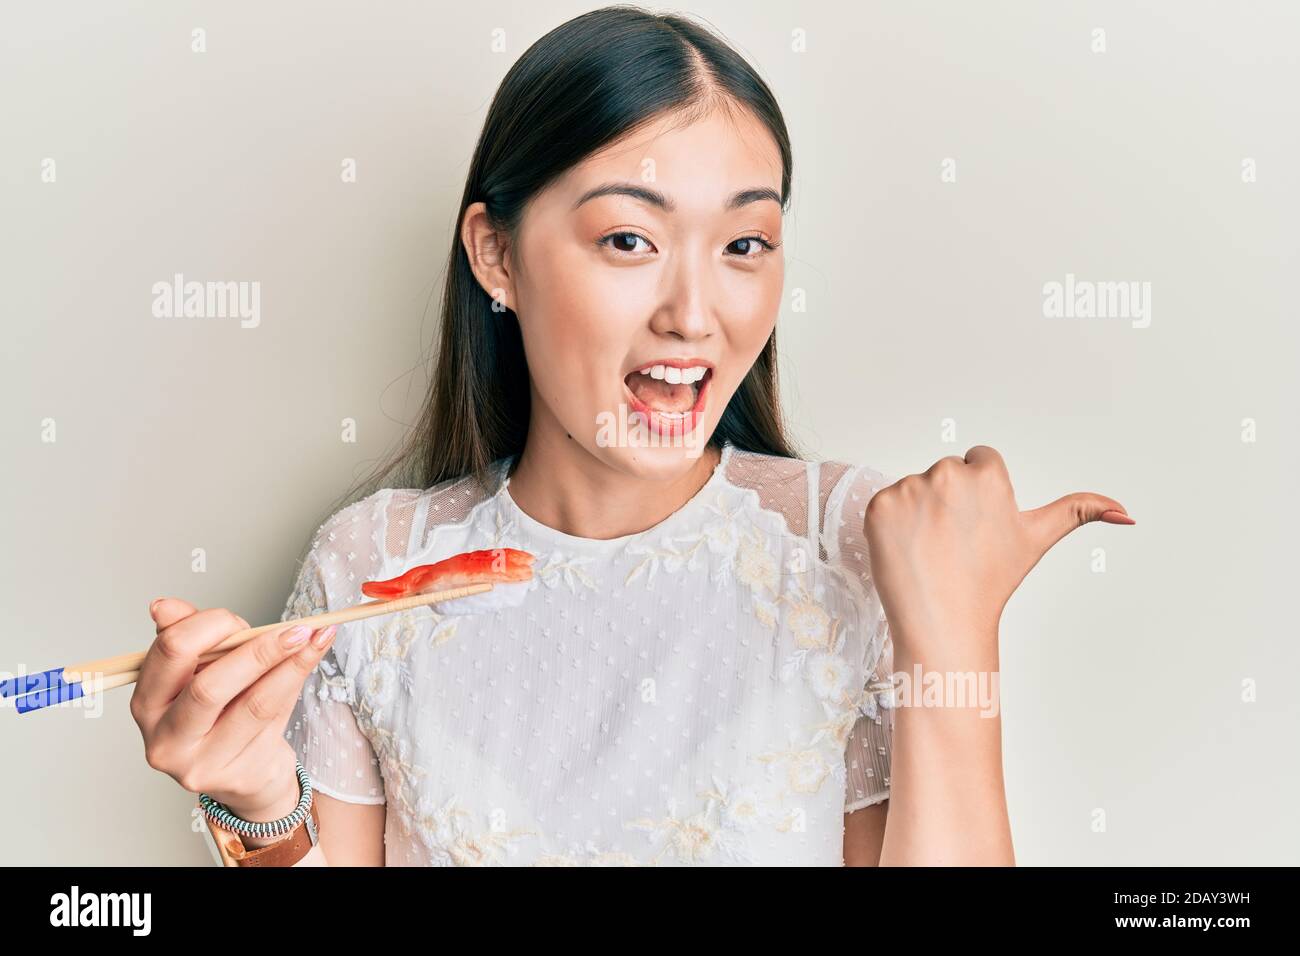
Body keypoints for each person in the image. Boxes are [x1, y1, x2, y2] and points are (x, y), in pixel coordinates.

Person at [131, 5, 1132, 867]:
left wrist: (951, 630)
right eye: (628, 240)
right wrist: (259, 797)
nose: (694, 313)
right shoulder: (373, 563)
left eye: (745, 243)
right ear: (497, 256)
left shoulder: (849, 544)